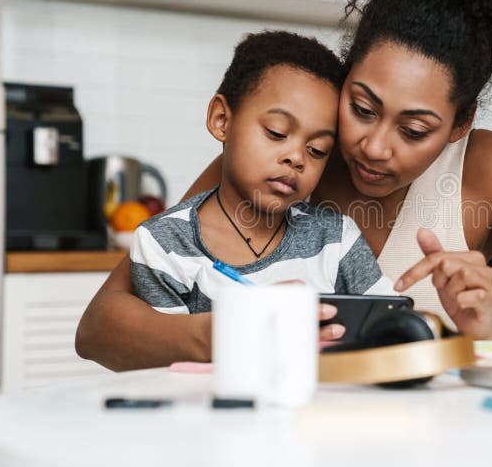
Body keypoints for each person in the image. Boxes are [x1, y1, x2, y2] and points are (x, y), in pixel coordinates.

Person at [76, 0, 492, 371]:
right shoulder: (271, 168)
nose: (374, 147)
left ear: (459, 122)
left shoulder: (488, 170)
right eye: (363, 107)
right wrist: (215, 334)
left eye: (415, 129)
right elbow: (101, 327)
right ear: (346, 75)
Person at [129, 31, 393, 317]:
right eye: (276, 132)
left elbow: (391, 326)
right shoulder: (164, 243)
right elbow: (167, 354)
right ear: (221, 120)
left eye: (317, 149)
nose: (296, 158)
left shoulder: (336, 238)